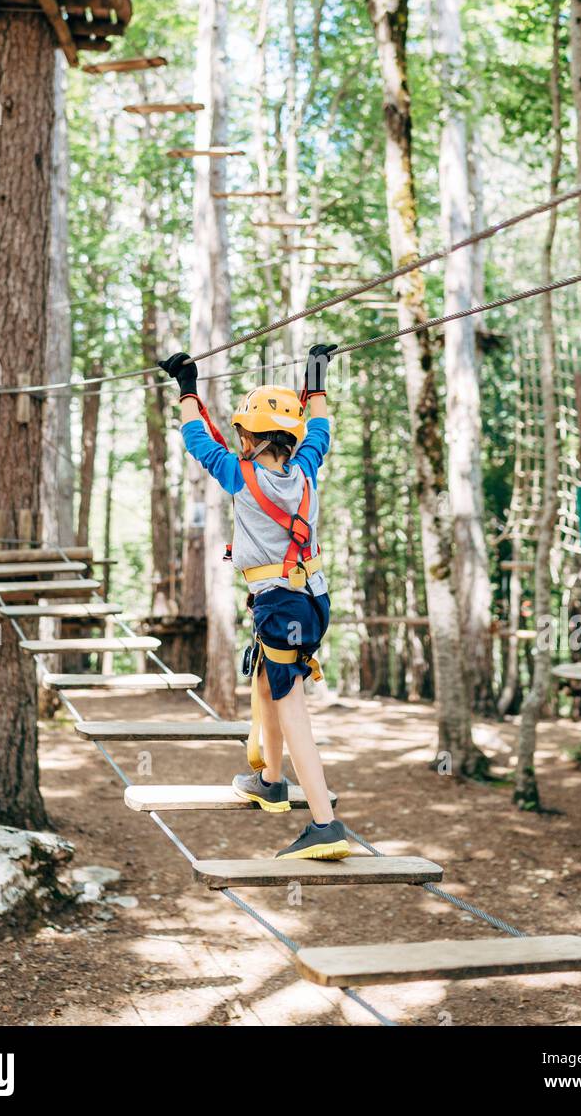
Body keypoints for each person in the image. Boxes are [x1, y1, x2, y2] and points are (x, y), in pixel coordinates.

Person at [158, 344, 349, 862]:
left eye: (243, 433)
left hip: (280, 604)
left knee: (292, 709)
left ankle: (325, 825)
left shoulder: (240, 475)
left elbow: (196, 437)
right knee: (267, 676)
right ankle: (268, 780)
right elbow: (322, 429)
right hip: (312, 599)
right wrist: (316, 381)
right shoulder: (306, 468)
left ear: (250, 437)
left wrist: (187, 387)